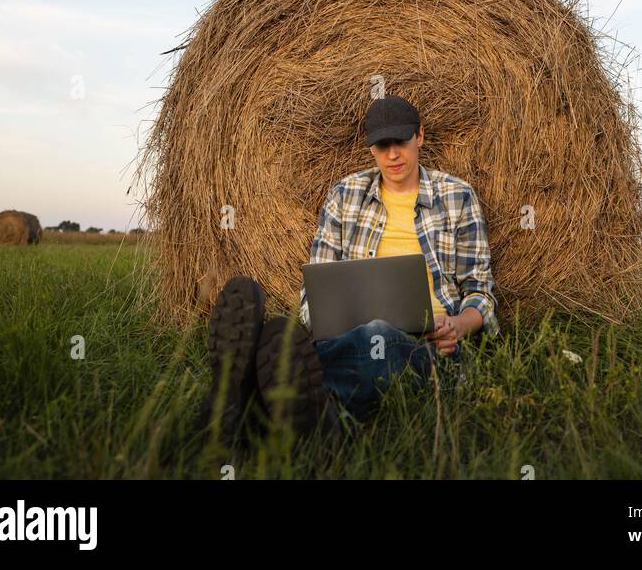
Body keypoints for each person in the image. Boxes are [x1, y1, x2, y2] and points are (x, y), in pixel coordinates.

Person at [203, 95, 499, 445]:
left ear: (420, 136)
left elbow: (480, 291)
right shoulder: (345, 195)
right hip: (346, 337)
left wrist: (458, 325)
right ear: (370, 148)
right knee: (367, 336)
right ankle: (315, 414)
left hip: (431, 345)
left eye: (400, 142)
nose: (392, 155)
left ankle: (250, 393)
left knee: (380, 338)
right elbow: (317, 285)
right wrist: (323, 324)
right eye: (381, 145)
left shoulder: (457, 196)